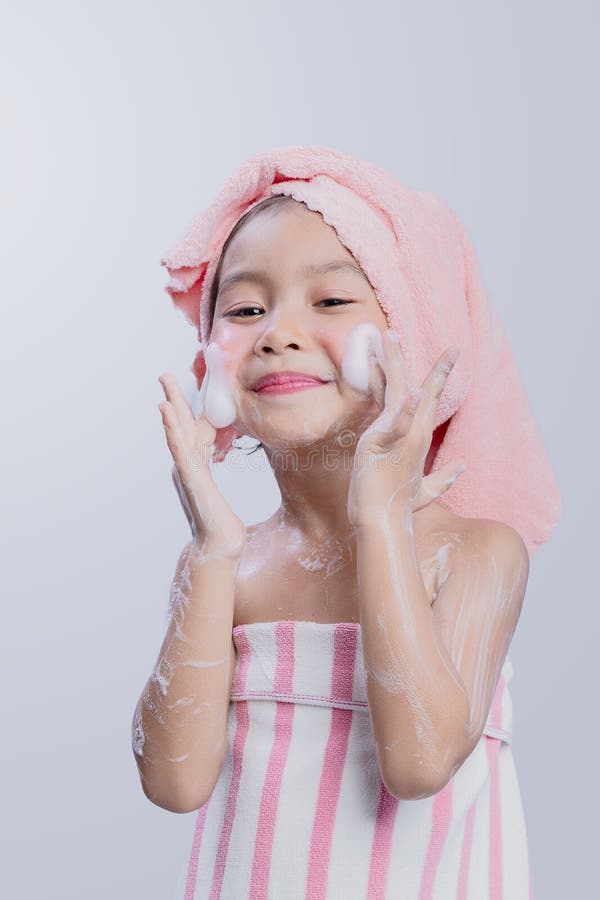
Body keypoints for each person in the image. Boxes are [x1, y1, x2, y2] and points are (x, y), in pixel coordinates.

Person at [132, 146, 560, 899]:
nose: (278, 333)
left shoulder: (474, 553)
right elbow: (174, 783)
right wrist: (212, 551)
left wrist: (381, 524)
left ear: (415, 336)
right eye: (245, 310)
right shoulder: (229, 566)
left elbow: (420, 763)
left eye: (330, 301)